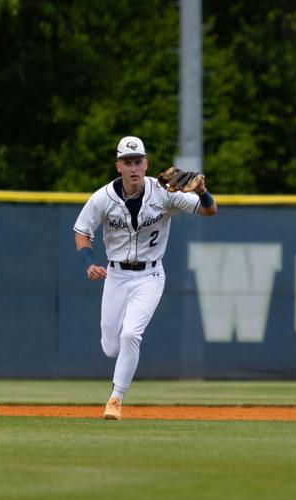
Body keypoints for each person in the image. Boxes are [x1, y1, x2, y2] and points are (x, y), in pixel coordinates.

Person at [73, 136, 218, 420]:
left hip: (150, 275)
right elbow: (81, 231)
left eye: (138, 161)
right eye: (127, 162)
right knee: (111, 347)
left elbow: (209, 210)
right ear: (118, 167)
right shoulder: (103, 197)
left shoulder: (163, 192)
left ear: (146, 163)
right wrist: (89, 263)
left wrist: (202, 192)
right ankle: (119, 378)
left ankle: (115, 400)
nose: (134, 168)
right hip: (115, 275)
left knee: (131, 334)